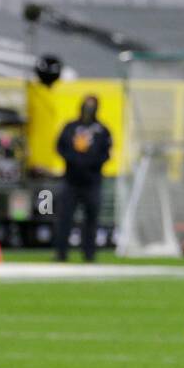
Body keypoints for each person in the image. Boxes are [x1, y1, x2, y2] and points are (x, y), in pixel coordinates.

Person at [54, 95, 112, 262]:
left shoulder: (102, 130)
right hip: (71, 180)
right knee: (65, 217)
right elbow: (60, 147)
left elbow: (106, 153)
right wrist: (75, 161)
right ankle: (61, 253)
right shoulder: (71, 127)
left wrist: (89, 164)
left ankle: (89, 254)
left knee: (91, 219)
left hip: (92, 181)